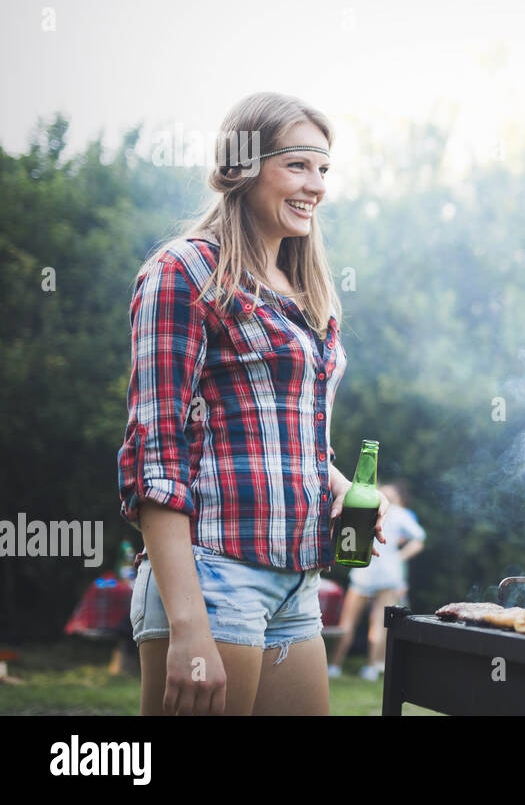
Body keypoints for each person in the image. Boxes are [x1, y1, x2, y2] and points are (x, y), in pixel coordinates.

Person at [117, 92, 389, 715]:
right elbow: (156, 458)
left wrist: (343, 487)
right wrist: (189, 627)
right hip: (213, 576)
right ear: (244, 165)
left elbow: (287, 436)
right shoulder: (183, 272)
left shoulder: (306, 289)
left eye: (324, 168)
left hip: (296, 580)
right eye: (298, 165)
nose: (315, 185)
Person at [328, 482, 426, 680]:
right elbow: (419, 538)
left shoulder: (370, 506)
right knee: (379, 623)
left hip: (364, 569)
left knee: (348, 622)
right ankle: (372, 668)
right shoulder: (401, 514)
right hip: (387, 573)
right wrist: (399, 557)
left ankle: (335, 666)